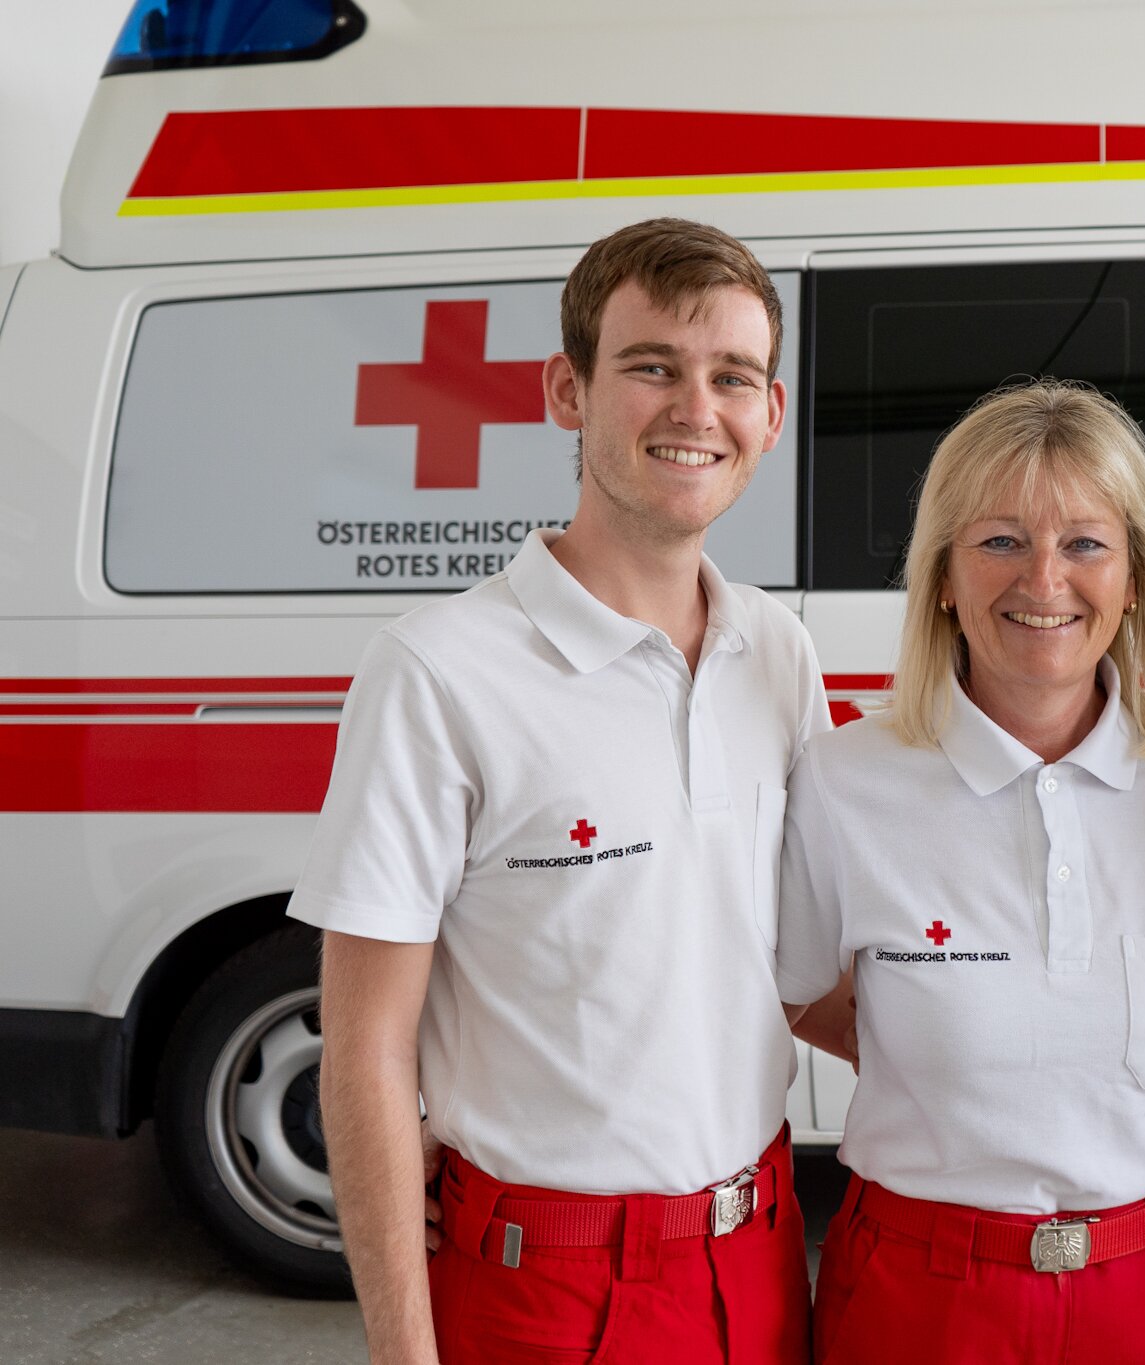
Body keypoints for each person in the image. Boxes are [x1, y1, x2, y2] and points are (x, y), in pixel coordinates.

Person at [292, 217, 823, 1365]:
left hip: (760, 1264)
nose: (696, 410)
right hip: (547, 1294)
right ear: (566, 391)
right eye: (652, 367)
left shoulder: (777, 653)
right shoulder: (436, 672)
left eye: (732, 376)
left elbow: (782, 963)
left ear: (770, 414)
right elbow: (366, 1047)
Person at [777, 381, 1145, 1365]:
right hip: (919, 1298)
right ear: (942, 576)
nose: (1043, 579)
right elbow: (791, 988)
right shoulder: (845, 779)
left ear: (1132, 579)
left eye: (1085, 543)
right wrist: (932, 1045)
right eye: (999, 540)